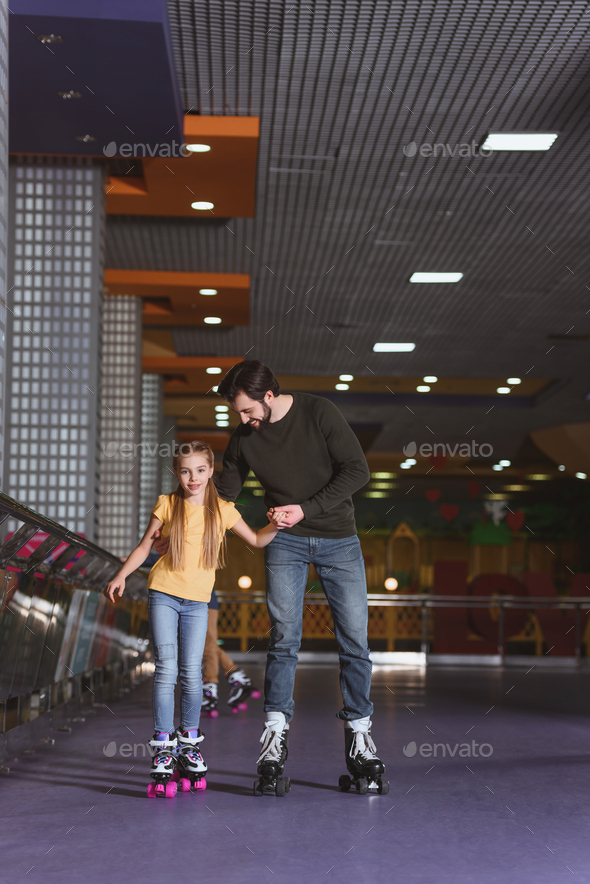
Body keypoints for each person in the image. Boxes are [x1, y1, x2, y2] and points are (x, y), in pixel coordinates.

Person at [155, 361, 387, 793]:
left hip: (338, 539)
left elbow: (358, 470)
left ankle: (360, 736)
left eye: (247, 411)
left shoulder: (319, 413)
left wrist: (306, 509)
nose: (243, 422)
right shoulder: (245, 438)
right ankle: (275, 737)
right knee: (284, 637)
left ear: (267, 395)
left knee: (355, 638)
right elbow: (222, 496)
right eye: (238, 414)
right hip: (284, 541)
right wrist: (176, 530)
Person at [104, 439, 284, 798]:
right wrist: (121, 574)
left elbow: (257, 540)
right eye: (186, 471)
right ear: (176, 473)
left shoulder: (223, 510)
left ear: (211, 470)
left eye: (200, 470)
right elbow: (144, 547)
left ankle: (188, 741)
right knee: (166, 669)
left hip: (198, 602)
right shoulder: (167, 504)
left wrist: (278, 523)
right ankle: (163, 746)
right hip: (164, 594)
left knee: (191, 672)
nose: (193, 478)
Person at [202, 588, 260, 717]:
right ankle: (236, 678)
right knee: (208, 645)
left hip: (201, 596)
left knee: (207, 645)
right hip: (200, 596)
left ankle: (211, 686)